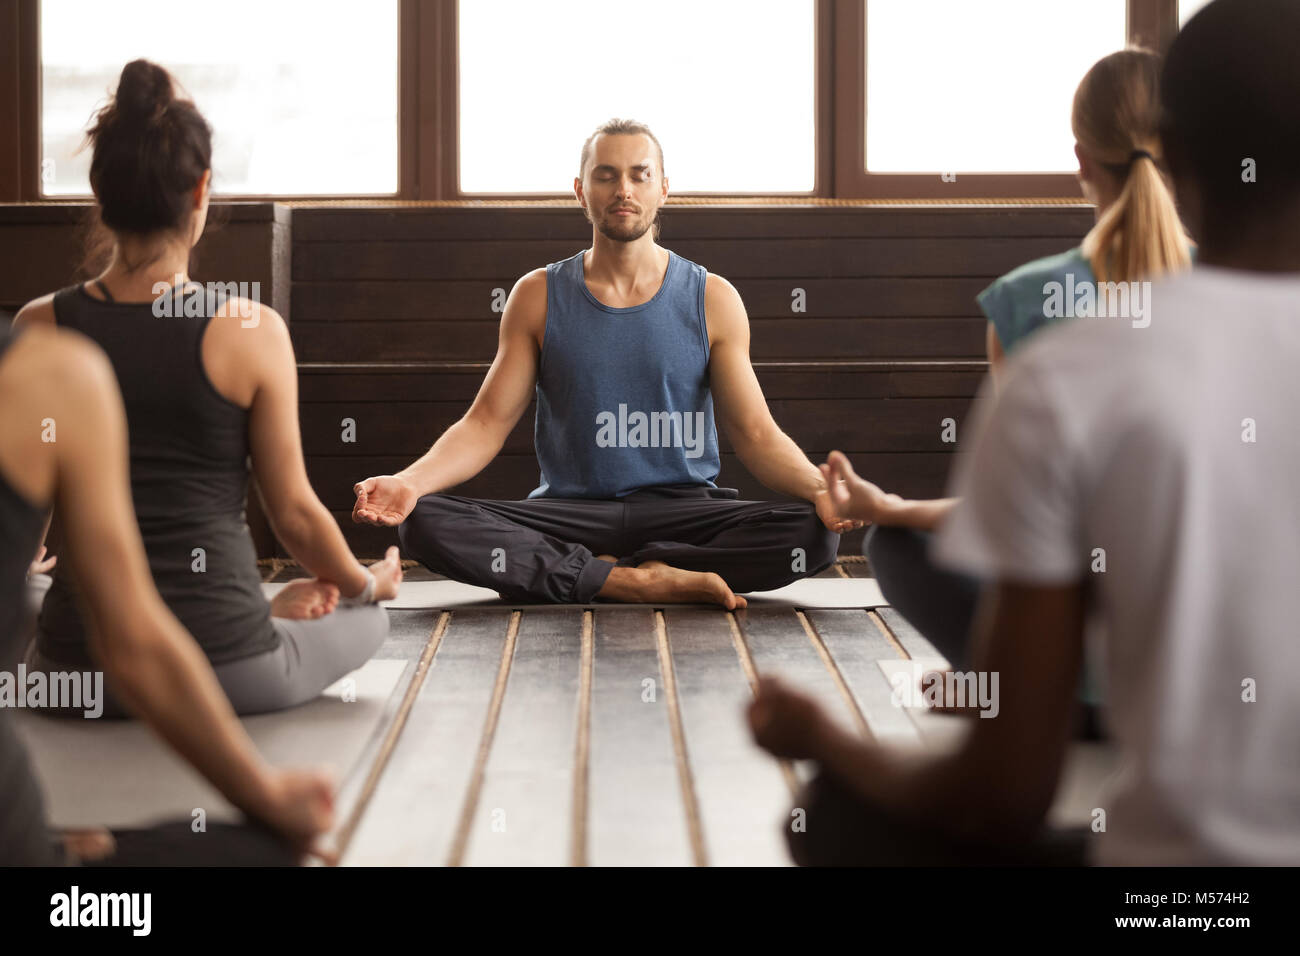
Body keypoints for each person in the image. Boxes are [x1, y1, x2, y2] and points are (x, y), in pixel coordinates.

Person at [751, 0, 1300, 866]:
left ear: (1177, 153)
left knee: (834, 817)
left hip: (1186, 900)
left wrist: (829, 738)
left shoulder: (1072, 373)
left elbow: (995, 799)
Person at [14, 60, 402, 717]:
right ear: (201, 192)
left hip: (79, 675)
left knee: (29, 596)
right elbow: (295, 515)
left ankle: (256, 606)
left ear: (98, 191)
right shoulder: (252, 330)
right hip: (228, 668)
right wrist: (368, 584)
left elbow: (24, 515)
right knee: (369, 619)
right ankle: (260, 610)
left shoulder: (37, 325)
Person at [352, 118, 857, 608]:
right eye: (606, 175)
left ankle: (602, 572)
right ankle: (629, 580)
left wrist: (820, 489)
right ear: (580, 189)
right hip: (571, 514)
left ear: (664, 189)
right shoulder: (537, 295)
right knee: (422, 520)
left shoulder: (712, 298)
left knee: (812, 533)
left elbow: (757, 435)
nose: (624, 190)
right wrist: (410, 483)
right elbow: (484, 424)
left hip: (684, 513)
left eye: (640, 174)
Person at [858, 48, 1194, 671]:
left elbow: (1009, 515)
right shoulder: (1235, 288)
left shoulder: (1026, 300)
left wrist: (888, 509)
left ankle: (1016, 690)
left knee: (895, 544)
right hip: (1203, 662)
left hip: (1069, 665)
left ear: (1080, 160)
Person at [0, 318, 333, 865]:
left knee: (37, 597)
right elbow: (132, 646)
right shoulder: (50, 370)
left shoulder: (43, 329)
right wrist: (268, 795)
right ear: (196, 224)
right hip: (24, 843)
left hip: (58, 667)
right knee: (269, 854)